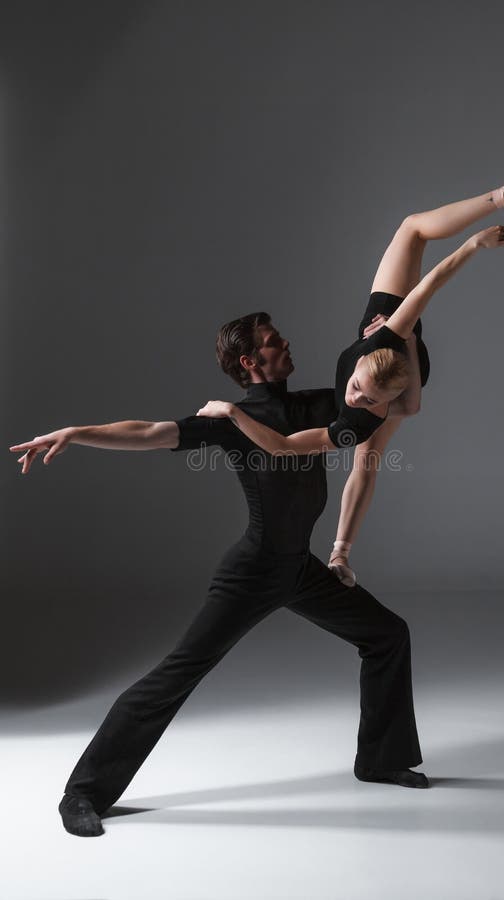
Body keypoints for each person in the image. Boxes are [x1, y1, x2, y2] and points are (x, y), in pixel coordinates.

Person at [9, 313, 429, 839]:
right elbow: (149, 432)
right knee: (176, 674)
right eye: (273, 342)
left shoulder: (319, 404)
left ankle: (381, 760)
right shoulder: (231, 419)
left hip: (298, 568)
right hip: (252, 572)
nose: (286, 342)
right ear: (250, 361)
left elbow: (393, 402)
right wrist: (76, 433)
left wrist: (398, 335)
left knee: (387, 635)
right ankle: (83, 792)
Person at [195, 164, 504, 585]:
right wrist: (473, 245)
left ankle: (340, 556)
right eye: (357, 389)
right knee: (411, 229)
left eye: (364, 398)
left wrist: (232, 412)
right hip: (396, 350)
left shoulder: (359, 411)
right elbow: (427, 290)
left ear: (380, 402)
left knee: (367, 459)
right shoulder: (382, 348)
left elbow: (285, 447)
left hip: (398, 355)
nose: (352, 398)